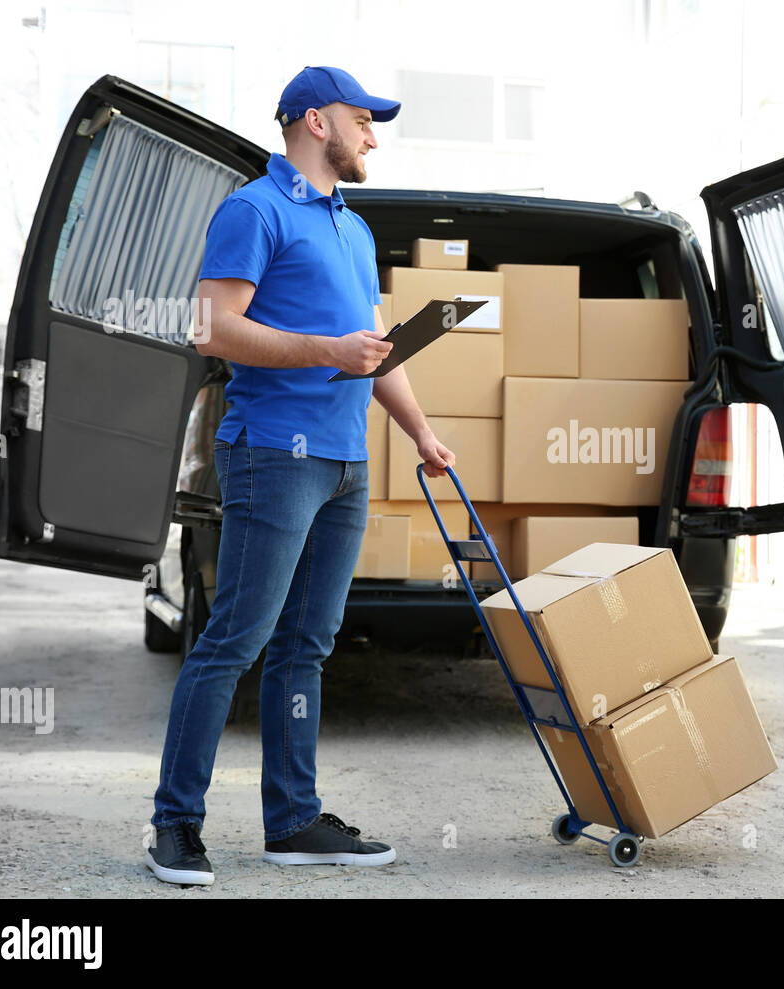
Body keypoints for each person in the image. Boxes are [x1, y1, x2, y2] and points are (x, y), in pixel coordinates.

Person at [144, 66, 455, 886]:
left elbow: (372, 349)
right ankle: (173, 825)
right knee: (233, 641)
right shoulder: (254, 209)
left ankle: (293, 821)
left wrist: (421, 431)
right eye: (363, 121)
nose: (372, 136)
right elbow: (212, 327)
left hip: (345, 462)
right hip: (273, 455)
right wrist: (324, 351)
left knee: (306, 646)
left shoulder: (353, 229)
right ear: (316, 122)